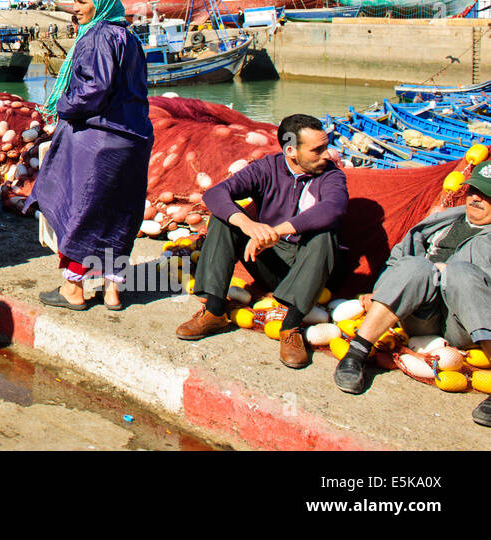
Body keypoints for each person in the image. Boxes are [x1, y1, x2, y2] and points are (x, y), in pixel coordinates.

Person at [177, 113, 347, 369]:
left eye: (327, 146)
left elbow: (333, 208)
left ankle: (291, 327)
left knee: (326, 234)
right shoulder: (267, 168)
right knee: (225, 219)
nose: (327, 155)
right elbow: (216, 193)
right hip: (270, 260)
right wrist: (248, 224)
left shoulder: (331, 175)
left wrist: (276, 231)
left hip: (309, 266)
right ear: (291, 151)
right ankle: (214, 311)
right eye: (317, 150)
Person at [24, 0, 152, 310]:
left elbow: (93, 90)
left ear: (100, 2)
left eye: (82, 2)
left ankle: (73, 289)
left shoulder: (97, 36)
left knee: (81, 208)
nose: (75, 8)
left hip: (98, 141)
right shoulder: (130, 37)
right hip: (133, 139)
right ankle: (112, 291)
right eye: (75, 1)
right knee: (119, 212)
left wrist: (63, 106)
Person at [333, 162, 491, 424]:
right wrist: (383, 291)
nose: (476, 198)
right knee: (416, 265)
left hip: (464, 321)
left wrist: (446, 272)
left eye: (487, 195)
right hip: (420, 312)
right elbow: (400, 259)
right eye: (474, 190)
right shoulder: (443, 219)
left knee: (461, 273)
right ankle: (357, 353)